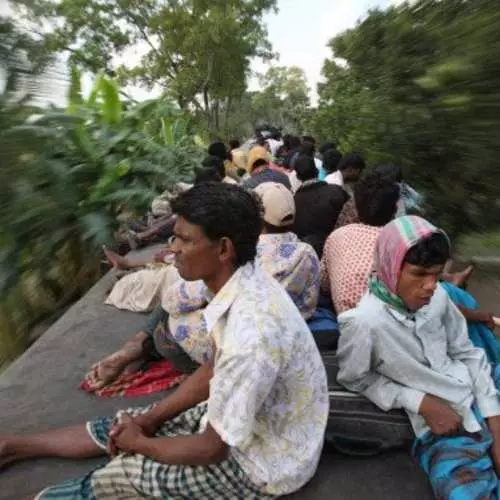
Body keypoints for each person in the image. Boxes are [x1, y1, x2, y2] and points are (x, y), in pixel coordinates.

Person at [1, 183, 328, 499]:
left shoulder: (251, 335)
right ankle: (13, 447)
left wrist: (141, 445)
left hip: (264, 464)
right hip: (249, 424)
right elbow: (214, 369)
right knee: (127, 423)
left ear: (224, 248)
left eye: (184, 240)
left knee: (124, 473)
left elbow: (212, 448)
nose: (172, 248)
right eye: (174, 235)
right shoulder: (241, 280)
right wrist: (151, 420)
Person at [85, 182, 320, 390]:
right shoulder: (307, 254)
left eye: (183, 239)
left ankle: (139, 345)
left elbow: (176, 300)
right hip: (282, 334)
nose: (177, 246)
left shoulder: (246, 266)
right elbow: (309, 302)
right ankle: (139, 344)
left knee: (170, 318)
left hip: (223, 351)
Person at [336, 215, 500, 499]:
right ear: (390, 267)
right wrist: (421, 402)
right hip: (442, 429)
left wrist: (495, 423)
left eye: (437, 274)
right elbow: (356, 379)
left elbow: (467, 353)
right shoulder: (364, 323)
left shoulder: (438, 299)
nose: (431, 285)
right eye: (420, 274)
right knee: (463, 492)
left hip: (479, 388)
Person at [321, 173, 400, 314]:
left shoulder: (336, 236)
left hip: (339, 318)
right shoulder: (399, 248)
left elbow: (324, 285)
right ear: (395, 210)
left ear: (356, 207)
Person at [292, 156, 348, 258]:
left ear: (298, 177)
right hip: (340, 252)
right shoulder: (337, 191)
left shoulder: (294, 202)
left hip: (309, 257)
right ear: (317, 172)